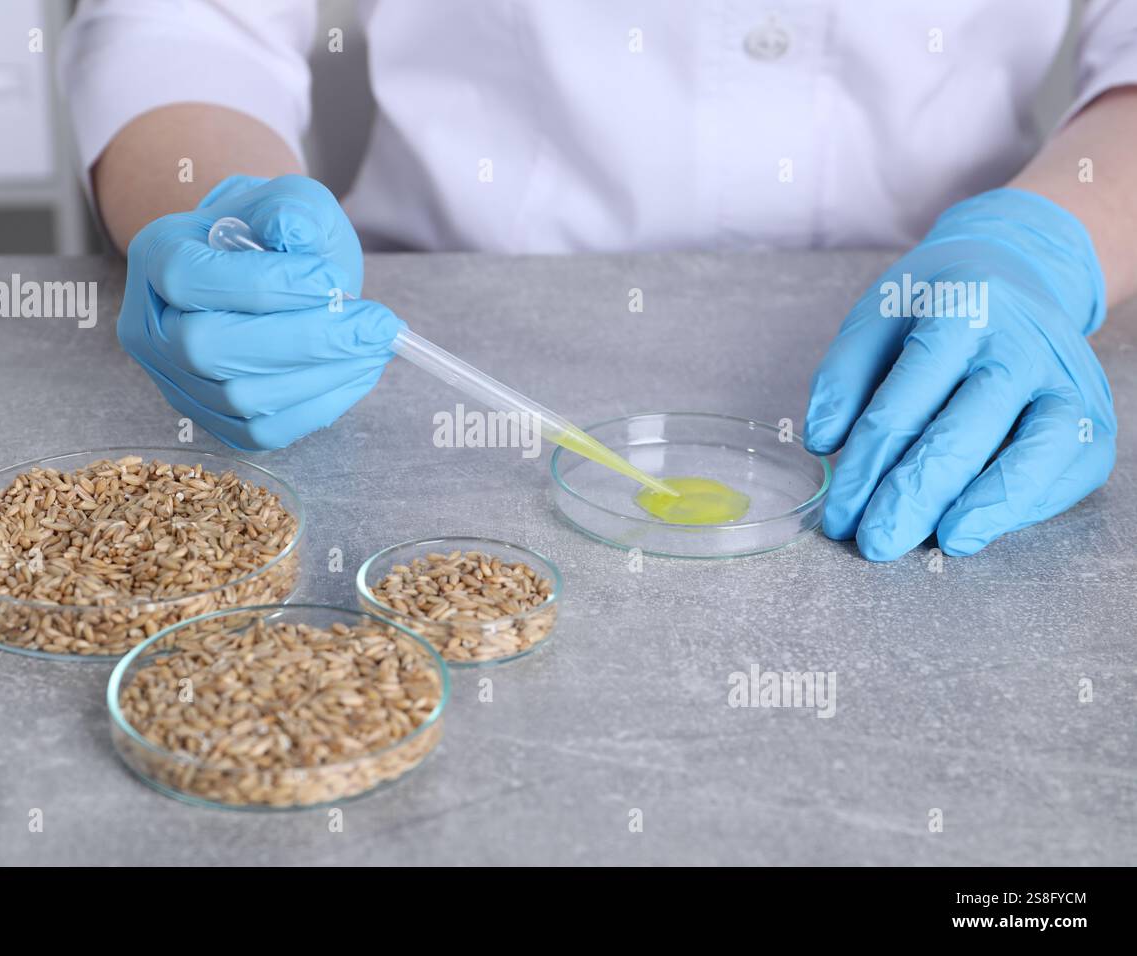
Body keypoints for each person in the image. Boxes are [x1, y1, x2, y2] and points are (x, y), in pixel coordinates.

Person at [58, 0, 1136, 561]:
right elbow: (184, 23)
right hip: (424, 348)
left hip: (945, 339)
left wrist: (1043, 244)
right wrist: (207, 213)